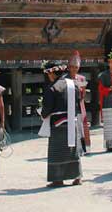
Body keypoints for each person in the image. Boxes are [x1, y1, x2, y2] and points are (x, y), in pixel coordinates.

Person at [41, 51, 84, 187]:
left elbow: (47, 110)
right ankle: (77, 177)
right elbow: (78, 102)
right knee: (73, 150)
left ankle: (58, 179)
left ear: (53, 73)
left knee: (57, 152)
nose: (48, 76)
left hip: (58, 124)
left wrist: (42, 113)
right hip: (73, 121)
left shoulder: (53, 88)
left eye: (49, 74)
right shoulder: (74, 85)